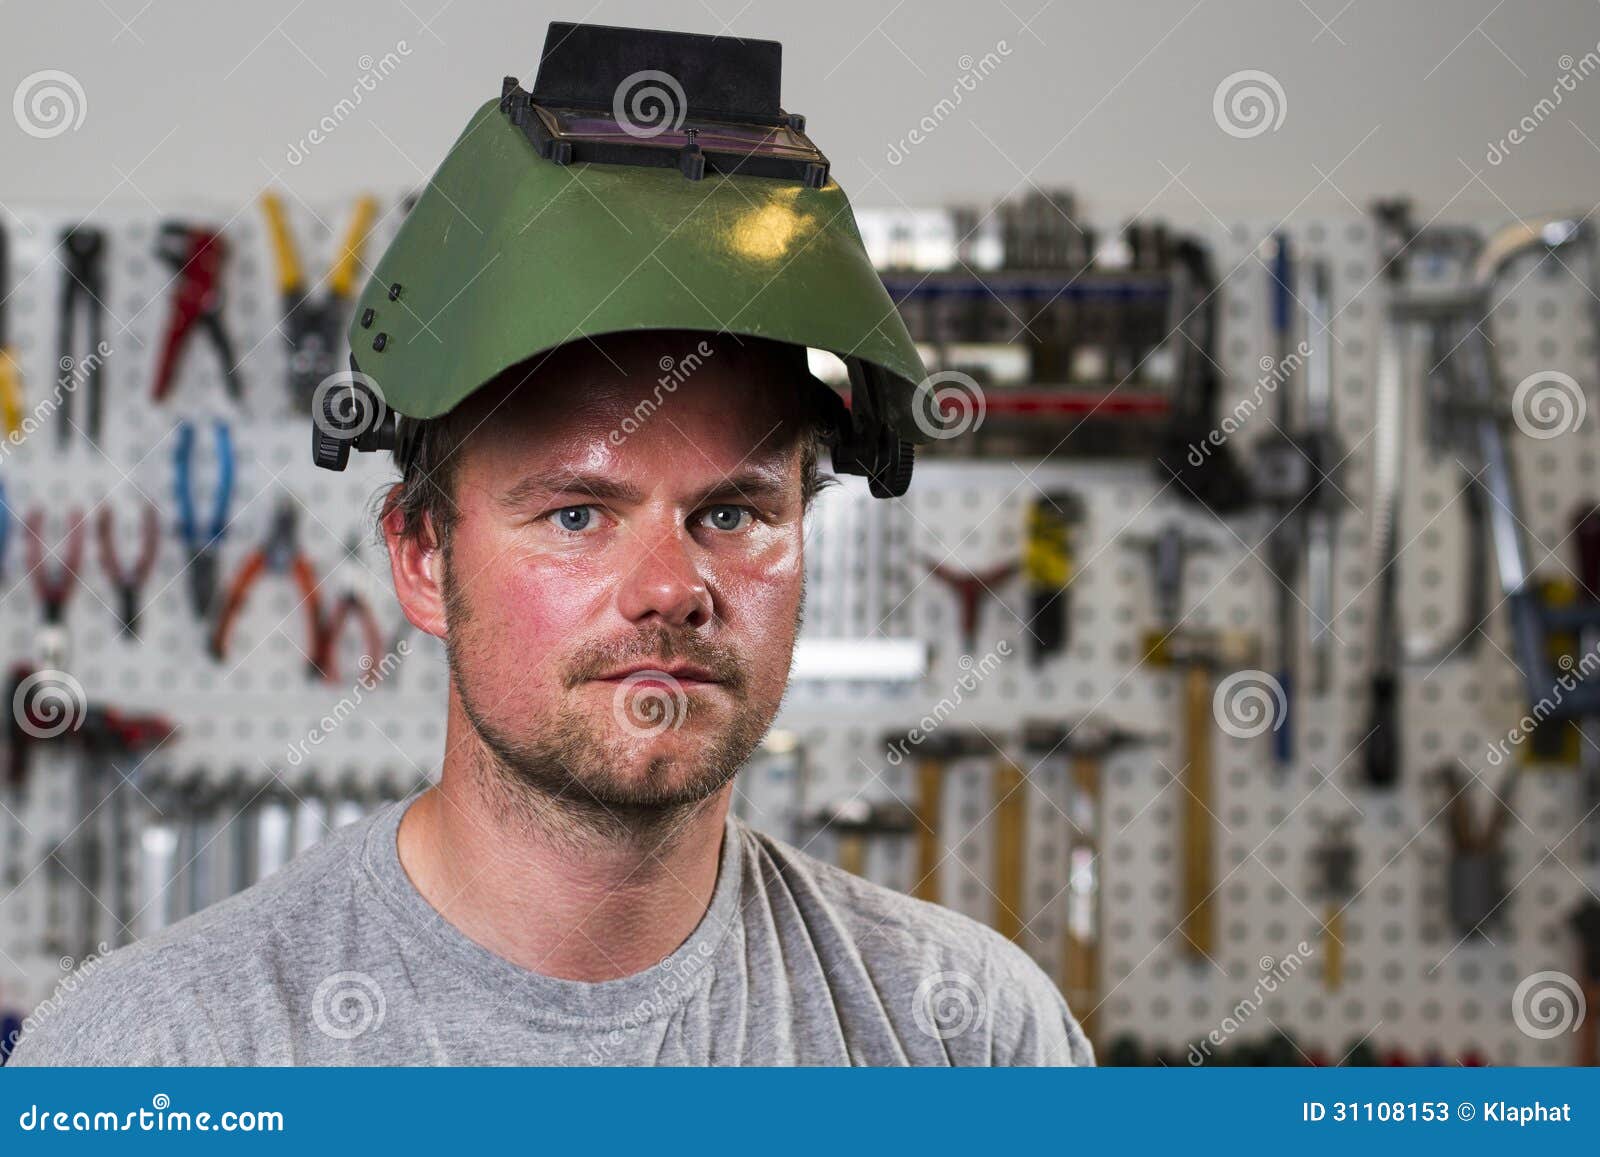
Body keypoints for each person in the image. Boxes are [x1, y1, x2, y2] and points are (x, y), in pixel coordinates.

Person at [8, 21, 1092, 1067]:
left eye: (733, 514)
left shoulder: (971, 1039)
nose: (670, 588)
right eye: (576, 514)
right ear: (423, 558)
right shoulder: (156, 1057)